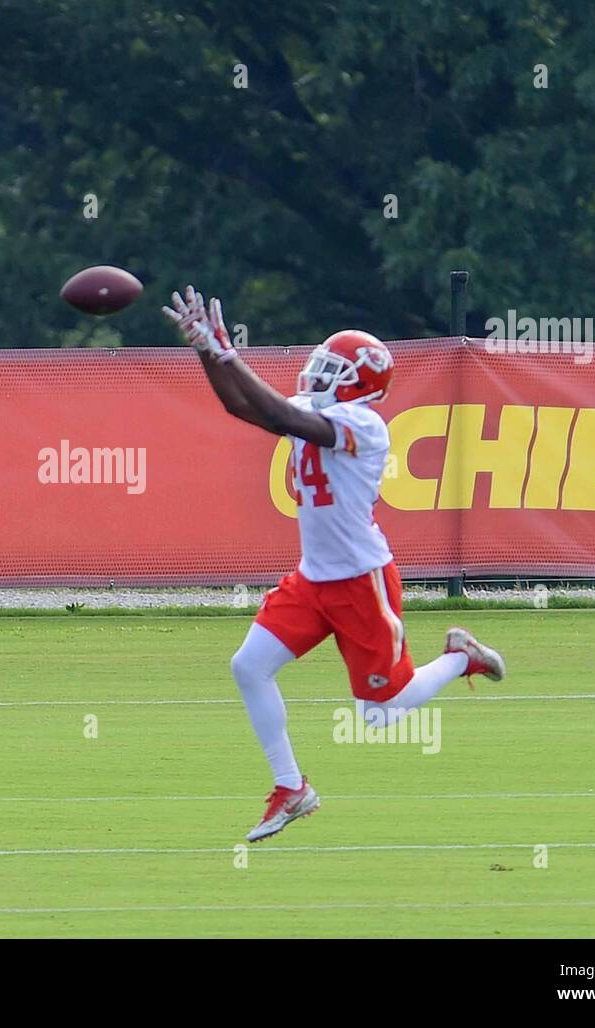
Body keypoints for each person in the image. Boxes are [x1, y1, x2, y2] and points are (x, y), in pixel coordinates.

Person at [164, 286, 505, 841]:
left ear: (358, 383)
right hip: (314, 578)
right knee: (248, 667)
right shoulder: (316, 409)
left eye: (332, 369)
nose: (317, 377)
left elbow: (279, 416)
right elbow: (242, 405)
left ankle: (458, 659)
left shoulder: (366, 426)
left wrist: (229, 354)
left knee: (380, 712)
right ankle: (291, 787)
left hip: (359, 582)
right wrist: (207, 350)